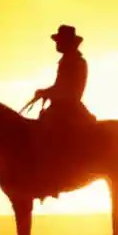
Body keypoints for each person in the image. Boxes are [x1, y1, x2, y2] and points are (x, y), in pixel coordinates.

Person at [29, 24, 97, 187]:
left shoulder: (72, 61)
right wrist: (45, 92)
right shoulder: (71, 60)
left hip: (68, 108)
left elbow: (66, 89)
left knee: (45, 135)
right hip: (66, 106)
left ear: (67, 43)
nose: (57, 44)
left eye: (59, 41)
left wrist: (45, 92)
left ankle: (56, 171)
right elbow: (61, 86)